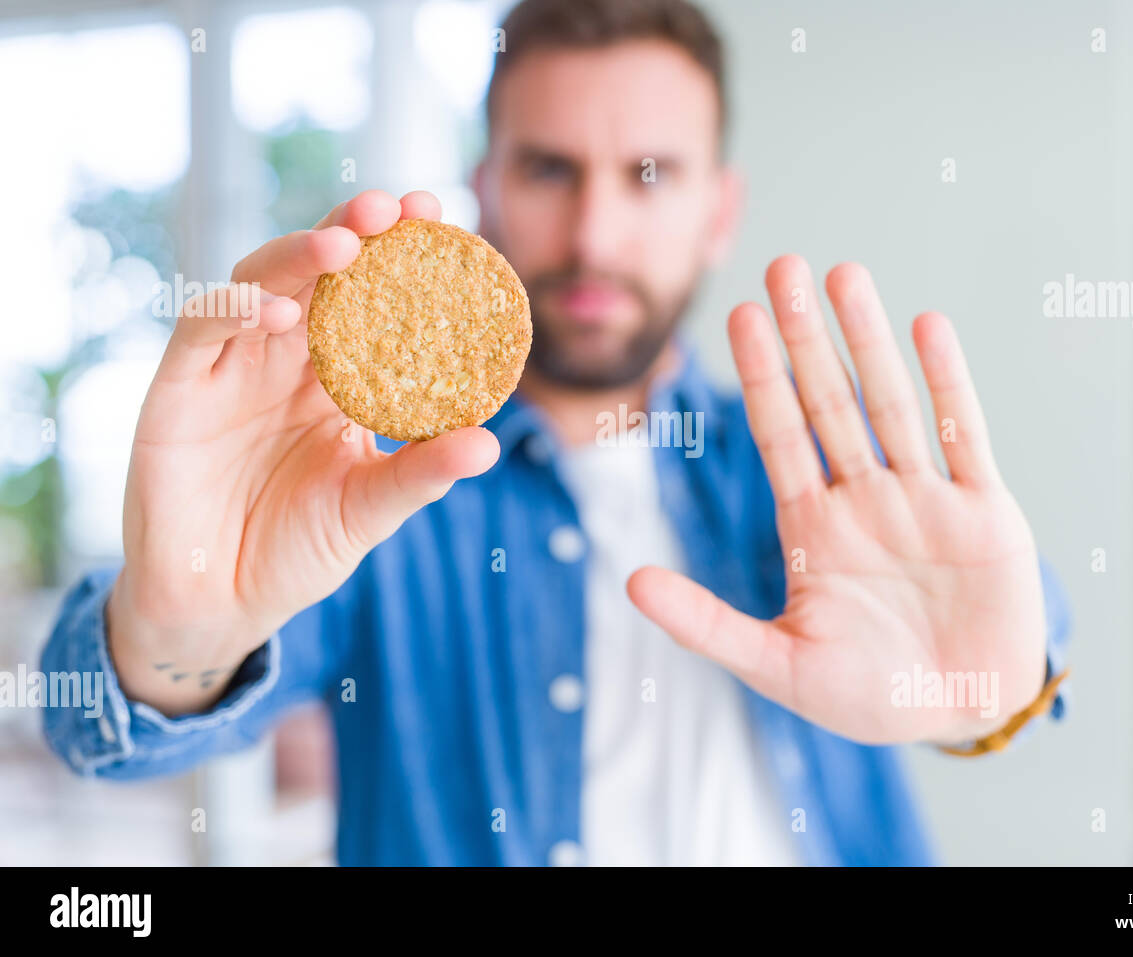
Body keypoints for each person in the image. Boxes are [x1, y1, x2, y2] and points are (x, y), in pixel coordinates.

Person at [42, 0, 1070, 866]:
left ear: (720, 209)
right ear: (484, 186)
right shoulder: (360, 492)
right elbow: (102, 728)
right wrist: (172, 640)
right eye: (548, 169)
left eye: (650, 174)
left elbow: (993, 644)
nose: (594, 235)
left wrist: (985, 690)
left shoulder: (816, 477)